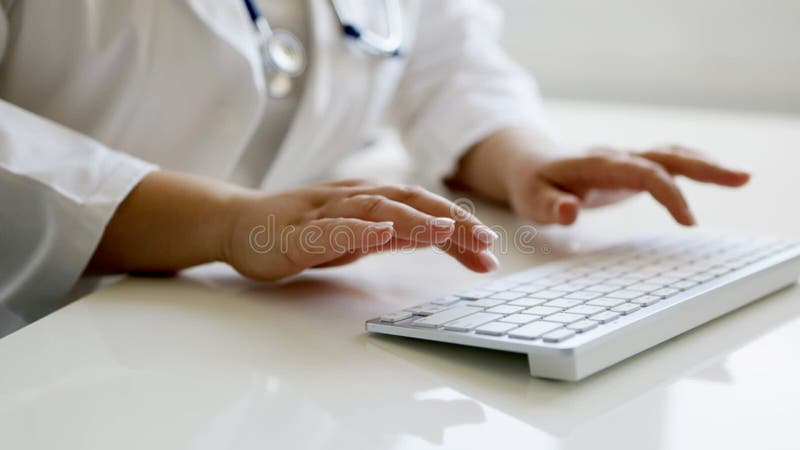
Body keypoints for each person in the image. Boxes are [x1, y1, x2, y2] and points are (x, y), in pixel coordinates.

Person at [0, 0, 749, 325]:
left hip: (246, 324)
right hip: (42, 337)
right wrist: (225, 221)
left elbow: (442, 60)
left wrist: (528, 156)